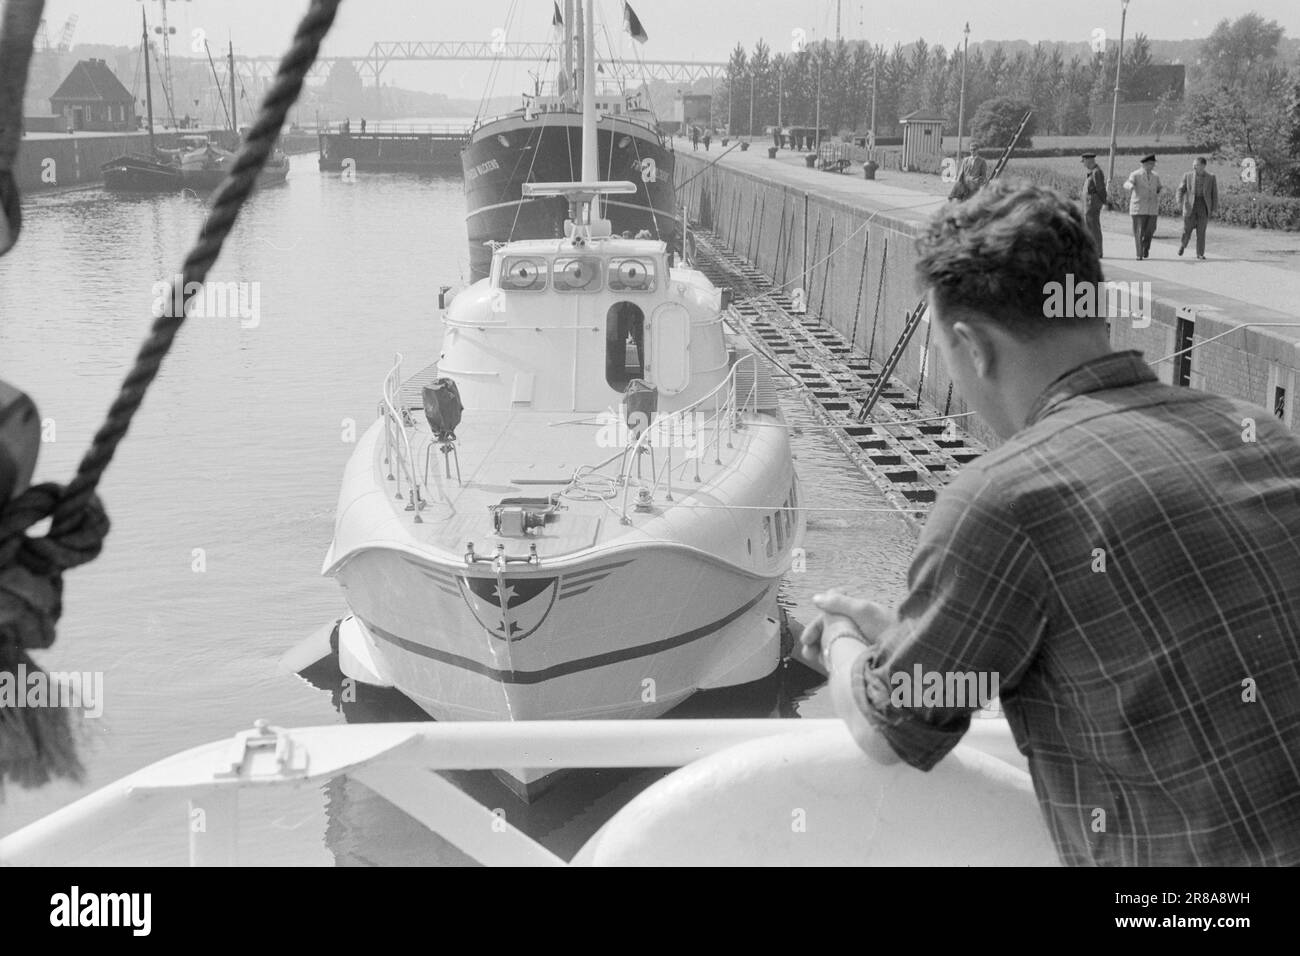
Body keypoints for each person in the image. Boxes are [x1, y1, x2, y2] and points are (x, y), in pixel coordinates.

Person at [797, 180, 1300, 866]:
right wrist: (930, 641)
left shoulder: (1006, 498)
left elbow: (889, 728)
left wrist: (843, 640)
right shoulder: (1261, 436)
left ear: (973, 348)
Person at [1176, 156, 1219, 260]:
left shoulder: (1211, 177)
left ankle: (1200, 253)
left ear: (1203, 166)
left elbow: (1214, 194)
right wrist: (1179, 201)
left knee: (1201, 231)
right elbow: (1180, 190)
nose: (1194, 167)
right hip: (1190, 205)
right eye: (1194, 165)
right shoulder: (1187, 176)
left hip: (1203, 206)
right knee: (1187, 229)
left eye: (1197, 165)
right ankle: (1183, 244)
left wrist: (1214, 209)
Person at [1123, 153, 1161, 259]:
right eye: (1151, 164)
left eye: (1153, 164)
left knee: (1151, 229)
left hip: (1152, 207)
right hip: (1138, 207)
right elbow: (1127, 183)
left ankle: (1145, 248)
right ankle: (1139, 254)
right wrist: (1130, 186)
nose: (1153, 166)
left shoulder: (1155, 176)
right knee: (1139, 231)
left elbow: (1159, 187)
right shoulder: (1135, 174)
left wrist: (1162, 190)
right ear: (1144, 164)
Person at [1080, 152, 1106, 257]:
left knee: (1094, 228)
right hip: (1088, 204)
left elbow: (1100, 189)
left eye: (1084, 161)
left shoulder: (1096, 172)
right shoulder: (1092, 172)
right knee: (1089, 227)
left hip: (1093, 204)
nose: (1083, 164)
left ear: (1089, 160)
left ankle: (1098, 251)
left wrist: (1104, 202)